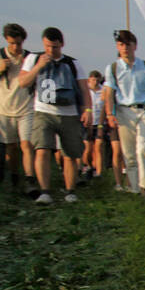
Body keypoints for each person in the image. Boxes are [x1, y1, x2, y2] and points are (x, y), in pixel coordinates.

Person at [16, 27, 90, 204]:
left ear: (62, 44)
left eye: (55, 47)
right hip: (43, 111)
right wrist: (39, 66)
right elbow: (23, 82)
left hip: (69, 113)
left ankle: (70, 190)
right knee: (42, 150)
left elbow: (84, 89)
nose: (51, 50)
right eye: (48, 46)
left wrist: (87, 110)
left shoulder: (73, 64)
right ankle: (45, 191)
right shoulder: (33, 59)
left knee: (70, 154)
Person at [102, 29, 145, 195]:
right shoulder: (113, 68)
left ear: (135, 46)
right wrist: (110, 114)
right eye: (121, 44)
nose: (124, 48)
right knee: (129, 152)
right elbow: (109, 93)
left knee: (143, 148)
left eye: (128, 44)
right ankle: (134, 187)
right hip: (124, 112)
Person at [0, 23, 35, 194]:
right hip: (4, 109)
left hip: (26, 108)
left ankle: (30, 180)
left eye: (19, 43)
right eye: (12, 43)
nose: (16, 47)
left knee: (26, 144)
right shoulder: (0, 56)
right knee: (11, 147)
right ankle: (14, 176)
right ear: (6, 40)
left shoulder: (29, 58)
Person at [81, 70, 107, 178]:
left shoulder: (103, 91)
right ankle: (88, 165)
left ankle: (99, 172)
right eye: (93, 79)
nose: (95, 81)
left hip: (99, 122)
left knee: (98, 147)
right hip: (88, 123)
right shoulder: (85, 90)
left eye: (97, 79)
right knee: (87, 149)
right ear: (89, 79)